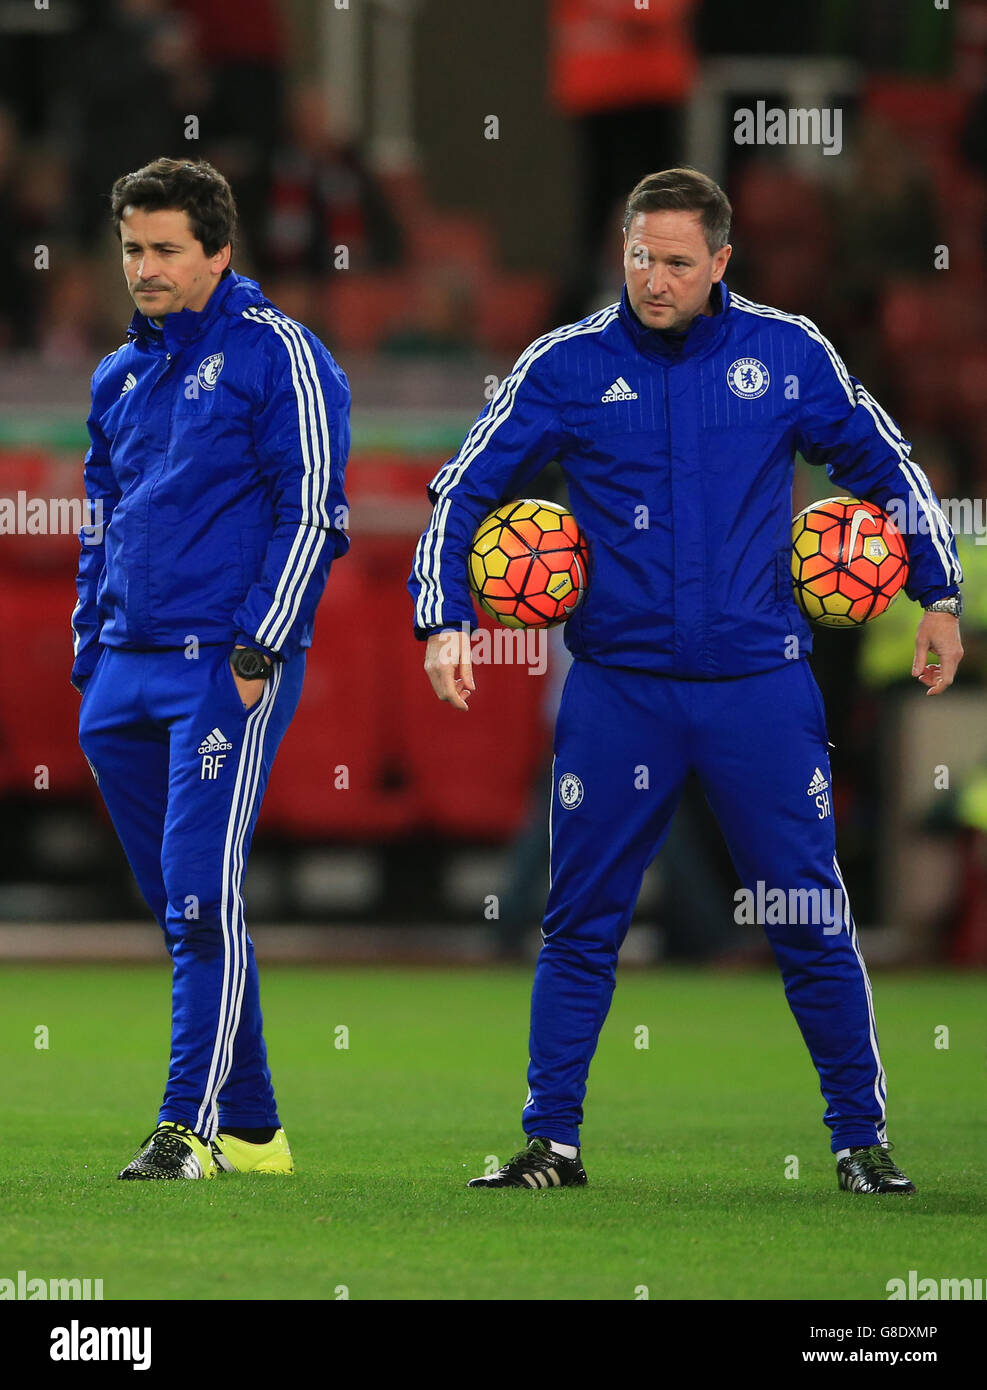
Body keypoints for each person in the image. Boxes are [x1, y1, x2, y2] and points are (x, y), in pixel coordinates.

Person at [409, 167, 963, 1195]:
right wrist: (443, 617)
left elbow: (888, 463)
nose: (652, 281)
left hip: (759, 686)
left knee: (806, 913)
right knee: (583, 917)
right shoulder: (565, 365)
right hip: (620, 689)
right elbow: (462, 487)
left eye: (674, 262)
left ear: (719, 261)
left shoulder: (788, 353)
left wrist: (937, 595)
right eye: (637, 257)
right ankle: (551, 1143)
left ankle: (860, 1141)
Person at [73, 157, 350, 1180]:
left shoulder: (283, 354)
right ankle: (258, 1129)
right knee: (194, 909)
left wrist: (257, 647)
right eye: (132, 248)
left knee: (196, 900)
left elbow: (313, 508)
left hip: (218, 668)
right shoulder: (118, 374)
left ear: (218, 251)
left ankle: (183, 1128)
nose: (143, 268)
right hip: (122, 679)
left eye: (164, 249)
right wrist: (86, 651)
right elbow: (102, 519)